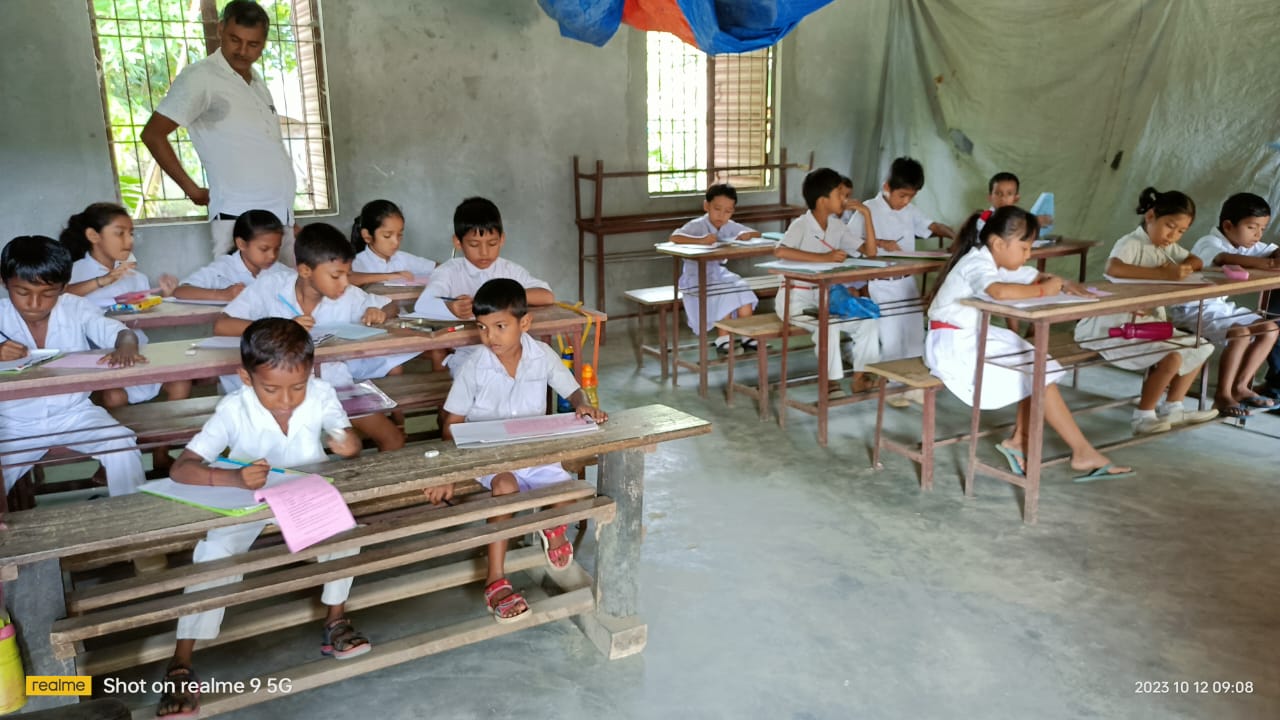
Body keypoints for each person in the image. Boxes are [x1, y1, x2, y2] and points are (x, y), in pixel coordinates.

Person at [155, 318, 368, 719]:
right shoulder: (234, 408)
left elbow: (350, 443)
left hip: (304, 492)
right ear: (246, 378)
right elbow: (182, 468)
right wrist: (230, 477)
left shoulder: (320, 394)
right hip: (248, 496)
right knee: (214, 552)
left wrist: (345, 443)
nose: (287, 400)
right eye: (272, 388)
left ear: (311, 374)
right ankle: (181, 659)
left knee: (345, 531)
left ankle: (336, 621)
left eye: (297, 387)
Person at [424, 280, 607, 623]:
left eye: (500, 326)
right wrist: (449, 470)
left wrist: (583, 406)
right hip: (489, 455)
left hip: (533, 452)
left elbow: (574, 390)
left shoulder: (541, 355)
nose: (490, 336)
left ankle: (553, 528)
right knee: (505, 488)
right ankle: (495, 578)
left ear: (525, 324)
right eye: (482, 327)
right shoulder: (475, 365)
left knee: (567, 489)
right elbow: (452, 423)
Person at [926, 207, 1133, 480]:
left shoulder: (993, 260)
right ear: (999, 243)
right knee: (1037, 371)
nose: (1028, 255)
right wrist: (1042, 290)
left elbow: (1029, 275)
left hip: (972, 337)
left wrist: (1062, 283)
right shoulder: (975, 264)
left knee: (1035, 363)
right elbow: (999, 292)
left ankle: (1021, 440)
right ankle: (1081, 452)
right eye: (1024, 248)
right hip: (953, 348)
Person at [216, 223, 408, 451]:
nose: (345, 283)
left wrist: (379, 313)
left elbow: (391, 306)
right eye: (336, 275)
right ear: (305, 271)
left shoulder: (349, 295)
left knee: (392, 439)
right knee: (281, 452)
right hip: (280, 393)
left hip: (334, 387)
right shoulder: (270, 287)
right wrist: (280, 328)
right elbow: (222, 324)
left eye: (347, 274)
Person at [140, 1, 298, 264]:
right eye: (235, 40)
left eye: (253, 44)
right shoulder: (201, 78)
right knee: (241, 298)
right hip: (238, 219)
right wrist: (191, 189)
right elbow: (153, 135)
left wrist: (289, 219)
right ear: (220, 29)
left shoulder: (256, 81)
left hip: (279, 217)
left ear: (264, 43)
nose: (243, 51)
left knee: (284, 300)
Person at [0, 235, 146, 498]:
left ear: (63, 287)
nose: (34, 304)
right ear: (4, 284)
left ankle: (133, 518)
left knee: (120, 441)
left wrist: (125, 344)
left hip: (74, 414)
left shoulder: (75, 307)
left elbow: (119, 333)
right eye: (22, 292)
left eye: (48, 294)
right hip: (13, 424)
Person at [1074, 188, 1219, 435]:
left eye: (1181, 231)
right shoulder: (1131, 242)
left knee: (1200, 346)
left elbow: (1196, 261)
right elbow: (1115, 268)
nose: (1173, 235)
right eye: (1169, 226)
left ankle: (1172, 407)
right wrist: (1163, 274)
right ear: (1151, 216)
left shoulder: (1166, 247)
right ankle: (1143, 416)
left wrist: (1183, 267)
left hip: (1146, 322)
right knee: (1172, 356)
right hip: (1113, 326)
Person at [59, 203, 190, 428]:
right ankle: (119, 453)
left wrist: (166, 297)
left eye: (131, 233)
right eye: (119, 233)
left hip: (138, 350)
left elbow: (144, 311)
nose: (128, 241)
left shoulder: (134, 276)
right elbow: (56, 296)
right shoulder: (72, 272)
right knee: (114, 397)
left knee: (180, 383)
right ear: (93, 235)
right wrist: (102, 281)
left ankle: (160, 452)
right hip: (99, 357)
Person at [412, 197, 554, 373]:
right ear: (458, 242)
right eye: (474, 244)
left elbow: (546, 295)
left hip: (509, 351)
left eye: (492, 243)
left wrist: (504, 298)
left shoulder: (509, 270)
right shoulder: (449, 271)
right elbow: (422, 304)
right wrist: (451, 307)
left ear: (502, 239)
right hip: (468, 354)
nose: (484, 252)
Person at [1169, 192, 1279, 416]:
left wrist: (1276, 254)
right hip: (1192, 309)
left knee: (1270, 328)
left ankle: (1241, 387)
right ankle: (1222, 395)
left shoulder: (1246, 243)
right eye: (1252, 227)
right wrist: (1270, 263)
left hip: (1219, 308)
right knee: (1239, 333)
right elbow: (1223, 259)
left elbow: (1273, 250)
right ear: (1228, 226)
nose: (1257, 235)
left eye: (1262, 229)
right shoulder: (1209, 242)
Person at [774, 167, 880, 398]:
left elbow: (870, 252)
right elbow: (780, 250)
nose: (845, 199)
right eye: (839, 194)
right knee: (828, 325)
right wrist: (823, 258)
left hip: (825, 297)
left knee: (867, 321)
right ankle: (830, 383)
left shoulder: (837, 226)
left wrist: (866, 214)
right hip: (796, 299)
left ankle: (861, 378)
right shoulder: (801, 224)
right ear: (823, 201)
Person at [847, 157, 955, 364]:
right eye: (902, 195)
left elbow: (932, 226)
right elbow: (848, 240)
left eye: (911, 197)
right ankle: (893, 387)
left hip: (907, 282)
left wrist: (955, 235)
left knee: (915, 337)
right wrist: (879, 242)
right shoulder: (868, 209)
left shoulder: (909, 210)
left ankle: (911, 387)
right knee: (892, 340)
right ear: (887, 187)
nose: (905, 201)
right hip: (882, 284)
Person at [669, 184, 762, 355]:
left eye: (728, 211)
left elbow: (756, 233)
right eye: (717, 209)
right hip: (695, 276)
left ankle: (747, 334)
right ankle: (723, 339)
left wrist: (747, 235)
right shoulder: (697, 225)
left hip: (718, 272)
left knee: (743, 289)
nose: (722, 215)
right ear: (707, 206)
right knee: (724, 292)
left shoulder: (729, 225)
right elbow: (675, 237)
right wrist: (700, 241)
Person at [173, 209, 290, 302]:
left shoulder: (279, 270)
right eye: (264, 249)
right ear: (242, 244)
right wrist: (223, 294)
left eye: (277, 248)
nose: (272, 256)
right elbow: (181, 291)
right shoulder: (223, 268)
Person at [348, 200, 437, 286]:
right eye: (387, 235)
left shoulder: (402, 258)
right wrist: (392, 276)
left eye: (400, 235)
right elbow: (348, 278)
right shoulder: (357, 263)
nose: (396, 242)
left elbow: (438, 267)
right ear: (367, 235)